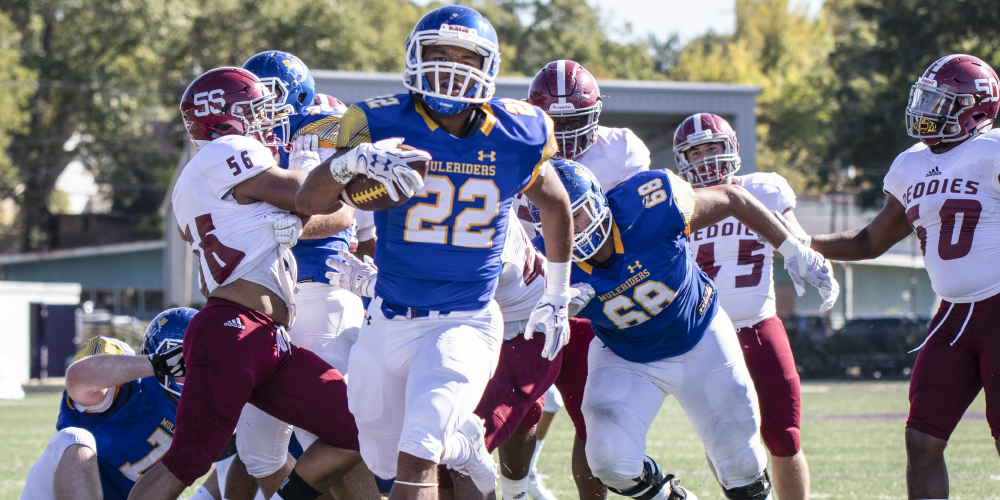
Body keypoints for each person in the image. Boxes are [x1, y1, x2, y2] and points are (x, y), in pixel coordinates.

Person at [294, 5, 575, 500]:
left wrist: (557, 291)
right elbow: (305, 203)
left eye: (464, 57)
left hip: (464, 321)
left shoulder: (518, 130)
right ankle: (464, 448)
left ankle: (449, 448)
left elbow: (555, 207)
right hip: (388, 320)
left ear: (487, 67)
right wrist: (348, 163)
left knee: (416, 457)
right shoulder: (377, 120)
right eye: (438, 54)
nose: (449, 67)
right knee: (380, 452)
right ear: (415, 56)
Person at [127, 66, 406, 500]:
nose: (264, 120)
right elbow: (306, 198)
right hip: (232, 331)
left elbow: (234, 220)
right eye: (254, 110)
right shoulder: (229, 151)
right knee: (188, 460)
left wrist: (284, 215)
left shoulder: (192, 182)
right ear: (224, 117)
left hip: (269, 337)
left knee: (358, 430)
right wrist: (340, 164)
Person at [532, 159, 835, 500]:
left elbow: (732, 197)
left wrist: (793, 249)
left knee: (742, 464)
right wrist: (555, 302)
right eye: (557, 220)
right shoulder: (545, 265)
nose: (572, 228)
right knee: (608, 459)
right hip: (625, 355)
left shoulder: (648, 205)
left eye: (579, 213)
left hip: (699, 334)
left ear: (599, 200)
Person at [806, 53, 1000, 500]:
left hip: (997, 307)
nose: (928, 111)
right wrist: (800, 243)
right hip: (952, 315)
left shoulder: (992, 151)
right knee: (922, 439)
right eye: (927, 99)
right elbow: (870, 241)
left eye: (942, 102)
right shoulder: (910, 164)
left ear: (975, 109)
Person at [328, 211, 594, 500]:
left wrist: (376, 285)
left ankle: (474, 453)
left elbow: (457, 296)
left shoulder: (483, 216)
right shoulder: (436, 203)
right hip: (459, 325)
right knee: (403, 455)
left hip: (522, 336)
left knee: (456, 448)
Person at [674, 112, 839, 500]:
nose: (706, 158)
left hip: (760, 326)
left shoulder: (764, 188)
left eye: (713, 147)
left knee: (784, 434)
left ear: (731, 148)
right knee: (724, 441)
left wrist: (816, 261)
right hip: (704, 337)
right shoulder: (677, 200)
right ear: (682, 160)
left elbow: (796, 239)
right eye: (695, 152)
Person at [237, 50, 375, 499]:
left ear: (298, 95)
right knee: (258, 450)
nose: (260, 110)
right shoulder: (243, 147)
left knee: (332, 432)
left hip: (321, 292)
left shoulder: (324, 125)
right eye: (252, 100)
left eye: (269, 97)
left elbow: (349, 217)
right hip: (266, 307)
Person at [524, 59, 651, 500]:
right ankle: (518, 487)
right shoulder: (512, 146)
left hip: (589, 299)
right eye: (553, 122)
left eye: (574, 121)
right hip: (525, 295)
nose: (565, 133)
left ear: (595, 115)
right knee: (515, 410)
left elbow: (633, 227)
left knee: (589, 420)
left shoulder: (620, 150)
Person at [21, 310, 224, 500]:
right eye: (187, 362)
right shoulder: (128, 380)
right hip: (58, 488)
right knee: (73, 438)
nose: (199, 374)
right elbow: (76, 380)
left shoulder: (212, 407)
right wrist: (155, 365)